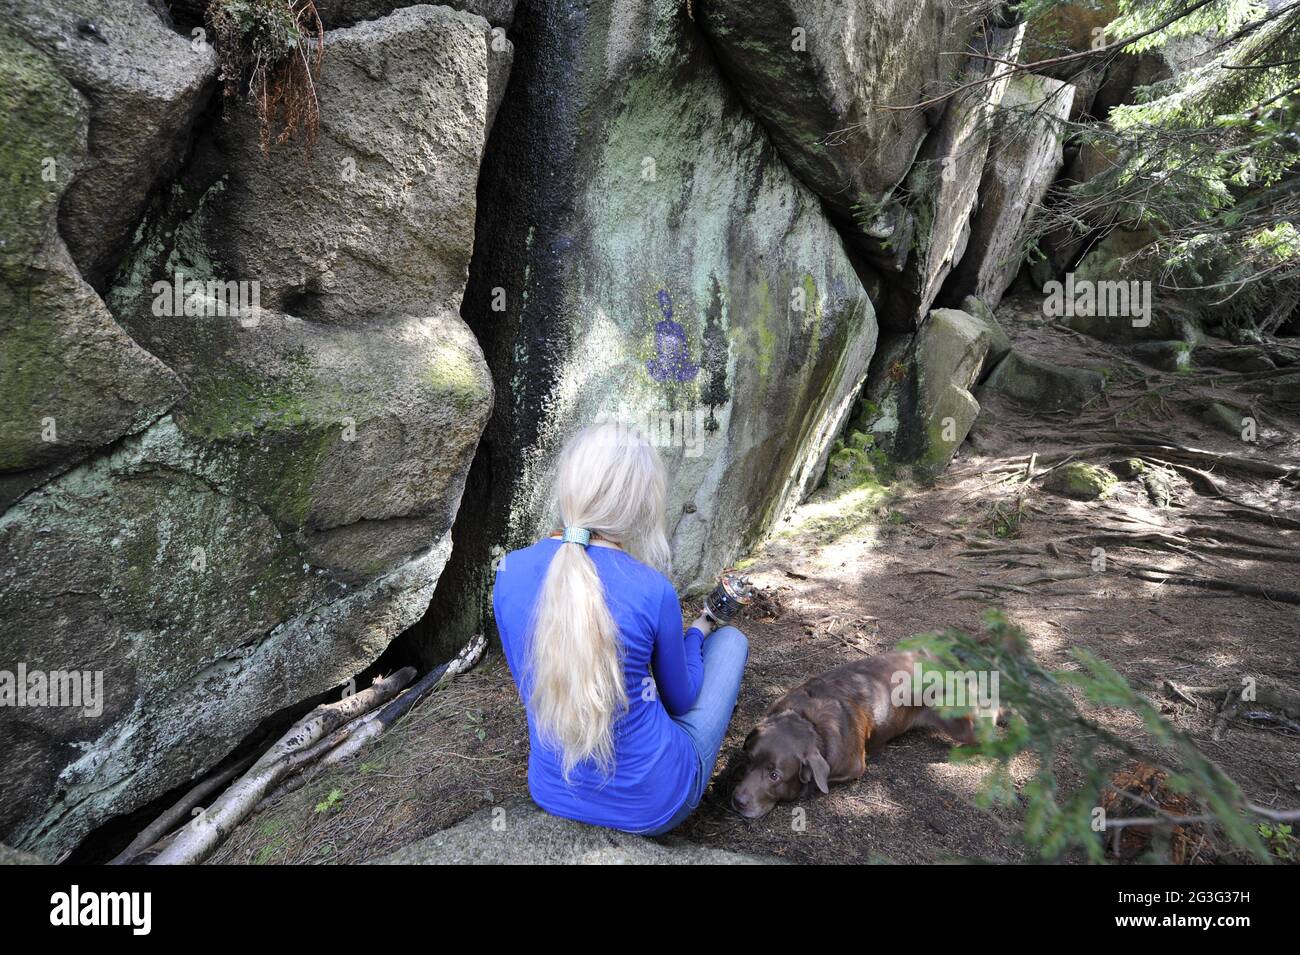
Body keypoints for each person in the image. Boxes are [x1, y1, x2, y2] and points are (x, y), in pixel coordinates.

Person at [492, 422, 749, 835]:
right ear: (638, 503)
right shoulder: (652, 589)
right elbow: (681, 701)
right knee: (733, 641)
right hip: (655, 804)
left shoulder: (508, 571)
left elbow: (531, 685)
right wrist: (698, 631)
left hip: (553, 790)